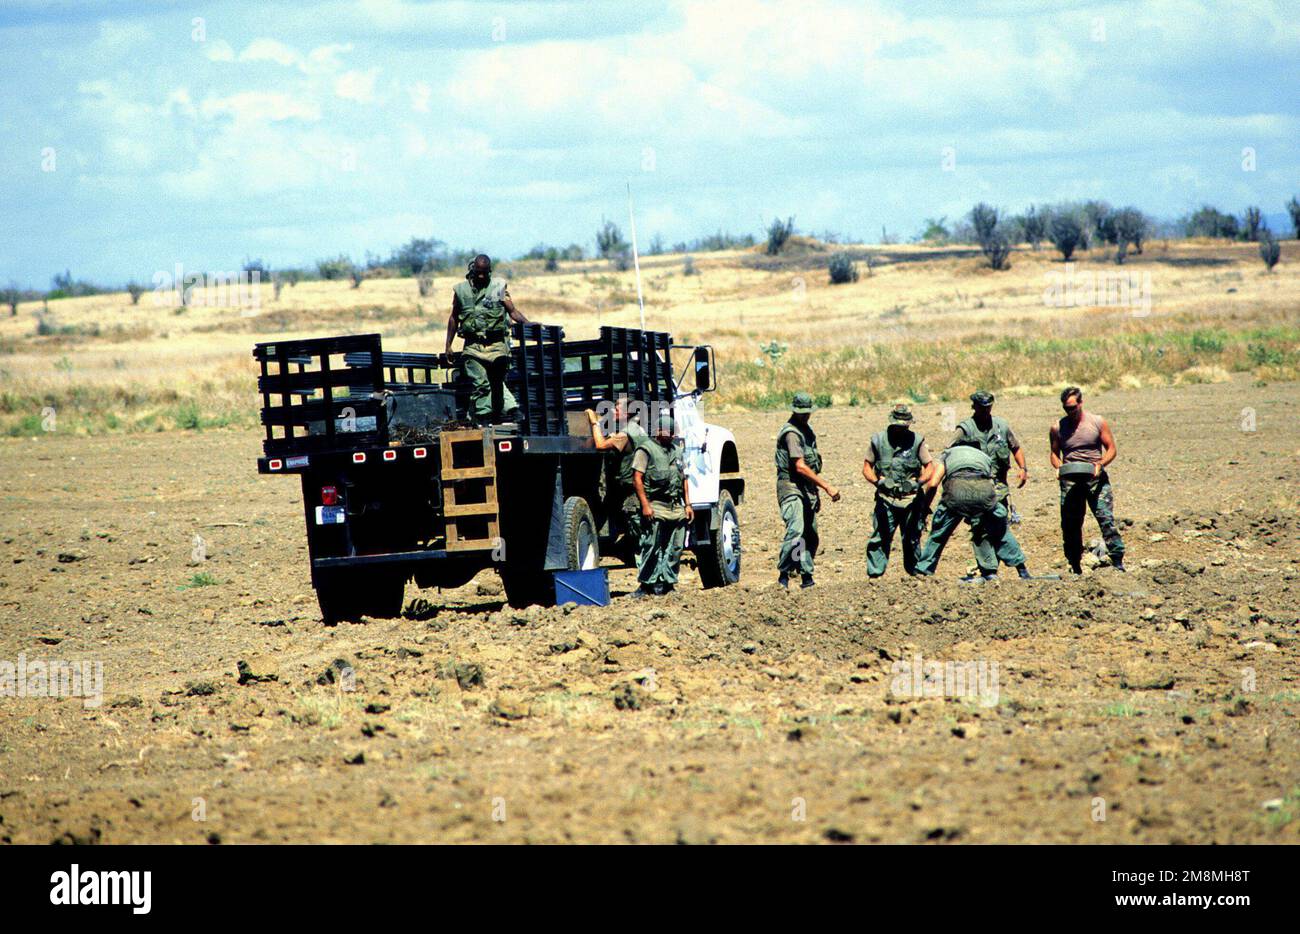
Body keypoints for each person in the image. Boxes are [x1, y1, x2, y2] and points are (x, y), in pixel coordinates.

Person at [914, 442, 1031, 582]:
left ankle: (923, 570)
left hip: (956, 492)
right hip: (983, 493)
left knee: (939, 533)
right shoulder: (984, 456)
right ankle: (1022, 571)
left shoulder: (948, 454)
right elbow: (991, 482)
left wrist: (925, 508)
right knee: (1000, 530)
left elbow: (933, 484)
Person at [445, 254, 530, 425]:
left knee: (497, 383)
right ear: (472, 270)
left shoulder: (497, 287)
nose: (482, 276)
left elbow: (512, 311)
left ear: (490, 271)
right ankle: (483, 416)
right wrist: (448, 345)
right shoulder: (461, 291)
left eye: (485, 273)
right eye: (479, 272)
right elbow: (454, 318)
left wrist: (529, 324)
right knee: (481, 383)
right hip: (473, 346)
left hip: (496, 345)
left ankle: (502, 412)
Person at [1049, 386, 1125, 574]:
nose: (1070, 411)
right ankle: (1075, 564)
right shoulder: (1058, 427)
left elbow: (1112, 449)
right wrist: (1058, 467)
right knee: (1071, 524)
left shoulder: (1097, 422)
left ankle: (1117, 560)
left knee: (1106, 519)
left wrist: (1100, 464)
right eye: (1066, 408)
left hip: (1095, 478)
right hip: (1070, 480)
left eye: (1073, 407)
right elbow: (1054, 453)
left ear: (1081, 403)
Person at [774, 391, 840, 589]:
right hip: (791, 487)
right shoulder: (792, 434)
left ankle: (805, 575)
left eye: (807, 412)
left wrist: (814, 492)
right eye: (801, 412)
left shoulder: (807, 432)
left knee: (809, 535)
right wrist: (827, 486)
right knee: (795, 530)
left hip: (806, 489)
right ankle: (783, 575)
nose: (805, 416)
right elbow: (800, 466)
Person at [863, 404, 933, 577]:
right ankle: (875, 576)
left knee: (912, 538)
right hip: (886, 500)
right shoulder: (878, 440)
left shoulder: (917, 441)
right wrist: (877, 482)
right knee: (880, 538)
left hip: (911, 501)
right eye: (899, 425)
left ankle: (915, 574)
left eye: (905, 425)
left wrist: (919, 482)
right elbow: (866, 468)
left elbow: (929, 467)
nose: (902, 429)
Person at [631, 412, 693, 597]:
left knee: (675, 547)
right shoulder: (646, 450)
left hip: (675, 506)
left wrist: (688, 504)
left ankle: (668, 582)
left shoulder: (677, 451)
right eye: (669, 432)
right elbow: (637, 478)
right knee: (651, 545)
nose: (673, 435)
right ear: (658, 431)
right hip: (655, 504)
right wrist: (645, 505)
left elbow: (684, 479)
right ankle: (646, 584)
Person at [585, 396, 649, 555]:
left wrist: (594, 422)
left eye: (617, 408)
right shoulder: (637, 429)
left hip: (630, 490)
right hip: (629, 487)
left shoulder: (625, 434)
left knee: (636, 530)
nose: (613, 410)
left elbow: (600, 445)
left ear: (627, 413)